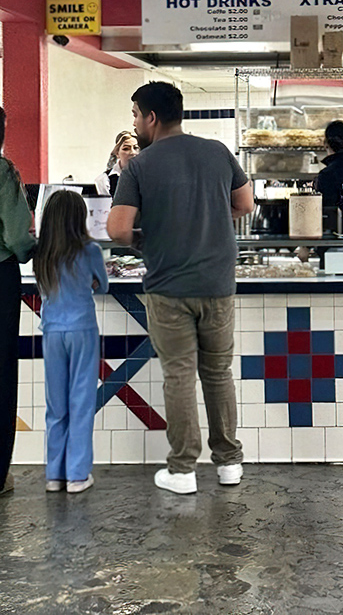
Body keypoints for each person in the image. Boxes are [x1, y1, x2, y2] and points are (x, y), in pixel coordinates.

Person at [107, 81, 254, 495]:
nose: (135, 124)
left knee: (179, 376)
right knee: (218, 373)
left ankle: (183, 469)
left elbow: (117, 229)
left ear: (151, 117)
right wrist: (208, 216)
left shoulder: (140, 166)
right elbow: (245, 205)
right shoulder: (218, 152)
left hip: (169, 286)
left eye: (136, 115)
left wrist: (148, 234)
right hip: (217, 284)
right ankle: (229, 463)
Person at [34, 190, 108, 494]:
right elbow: (102, 286)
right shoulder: (90, 250)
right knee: (81, 402)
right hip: (82, 330)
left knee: (56, 405)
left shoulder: (42, 252)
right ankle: (77, 475)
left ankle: (54, 475)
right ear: (80, 217)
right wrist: (91, 282)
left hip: (52, 331)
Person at [0, 107, 37, 497]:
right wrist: (33, 249)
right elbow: (16, 236)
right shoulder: (2, 172)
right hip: (0, 276)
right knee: (2, 372)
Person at [95, 131, 139, 196]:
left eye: (136, 148)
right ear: (117, 153)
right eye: (126, 149)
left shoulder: (147, 175)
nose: (132, 152)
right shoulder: (104, 180)